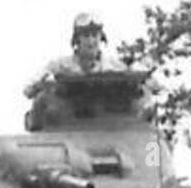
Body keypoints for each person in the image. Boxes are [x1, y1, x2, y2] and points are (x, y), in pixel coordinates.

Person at [23, 13, 154, 128]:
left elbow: (155, 87)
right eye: (85, 36)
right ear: (77, 40)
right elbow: (28, 90)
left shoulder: (115, 67)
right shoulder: (59, 66)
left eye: (94, 35)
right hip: (66, 127)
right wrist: (44, 84)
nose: (91, 41)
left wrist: (147, 81)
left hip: (112, 128)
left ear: (101, 38)